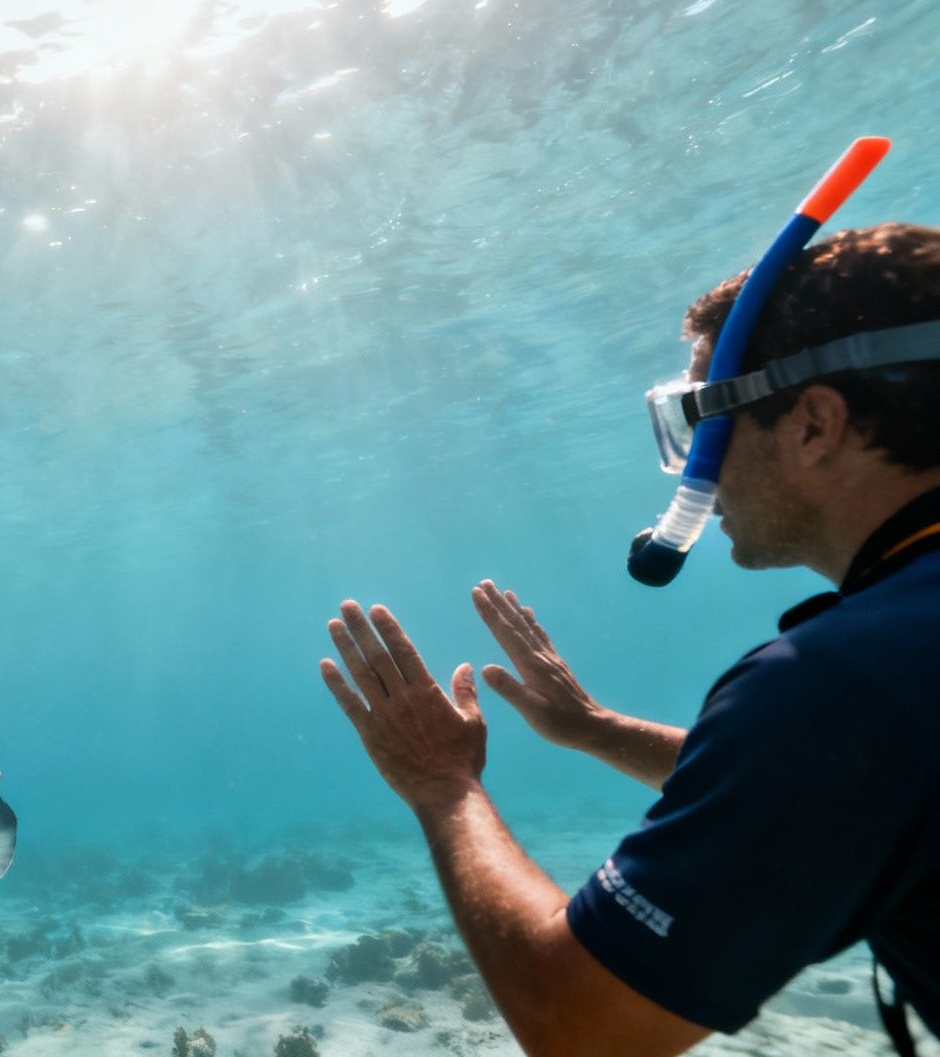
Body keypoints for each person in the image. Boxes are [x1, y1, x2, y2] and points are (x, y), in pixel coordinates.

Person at [319, 222, 940, 1055]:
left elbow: (581, 1027)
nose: (696, 474)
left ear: (815, 424)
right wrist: (593, 730)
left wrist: (442, 785)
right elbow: (859, 784)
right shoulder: (889, 679)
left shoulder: (842, 685)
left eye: (700, 420)